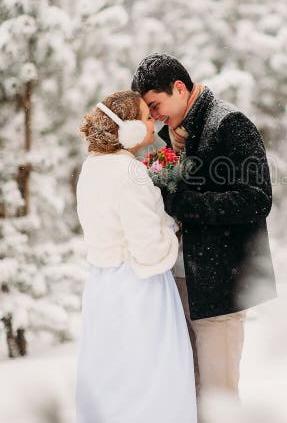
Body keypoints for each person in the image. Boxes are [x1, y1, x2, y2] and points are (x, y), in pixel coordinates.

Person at [131, 53, 278, 410]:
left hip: (219, 286)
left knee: (218, 399)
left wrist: (186, 203)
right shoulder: (178, 135)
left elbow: (257, 199)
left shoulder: (231, 125)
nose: (154, 117)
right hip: (181, 286)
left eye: (155, 105)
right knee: (188, 397)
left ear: (179, 89)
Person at [74, 89, 196, 423]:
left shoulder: (92, 168)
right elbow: (150, 249)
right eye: (145, 117)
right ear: (126, 129)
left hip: (103, 287)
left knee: (112, 378)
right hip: (138, 290)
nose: (152, 121)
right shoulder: (128, 172)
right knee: (153, 381)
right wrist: (172, 235)